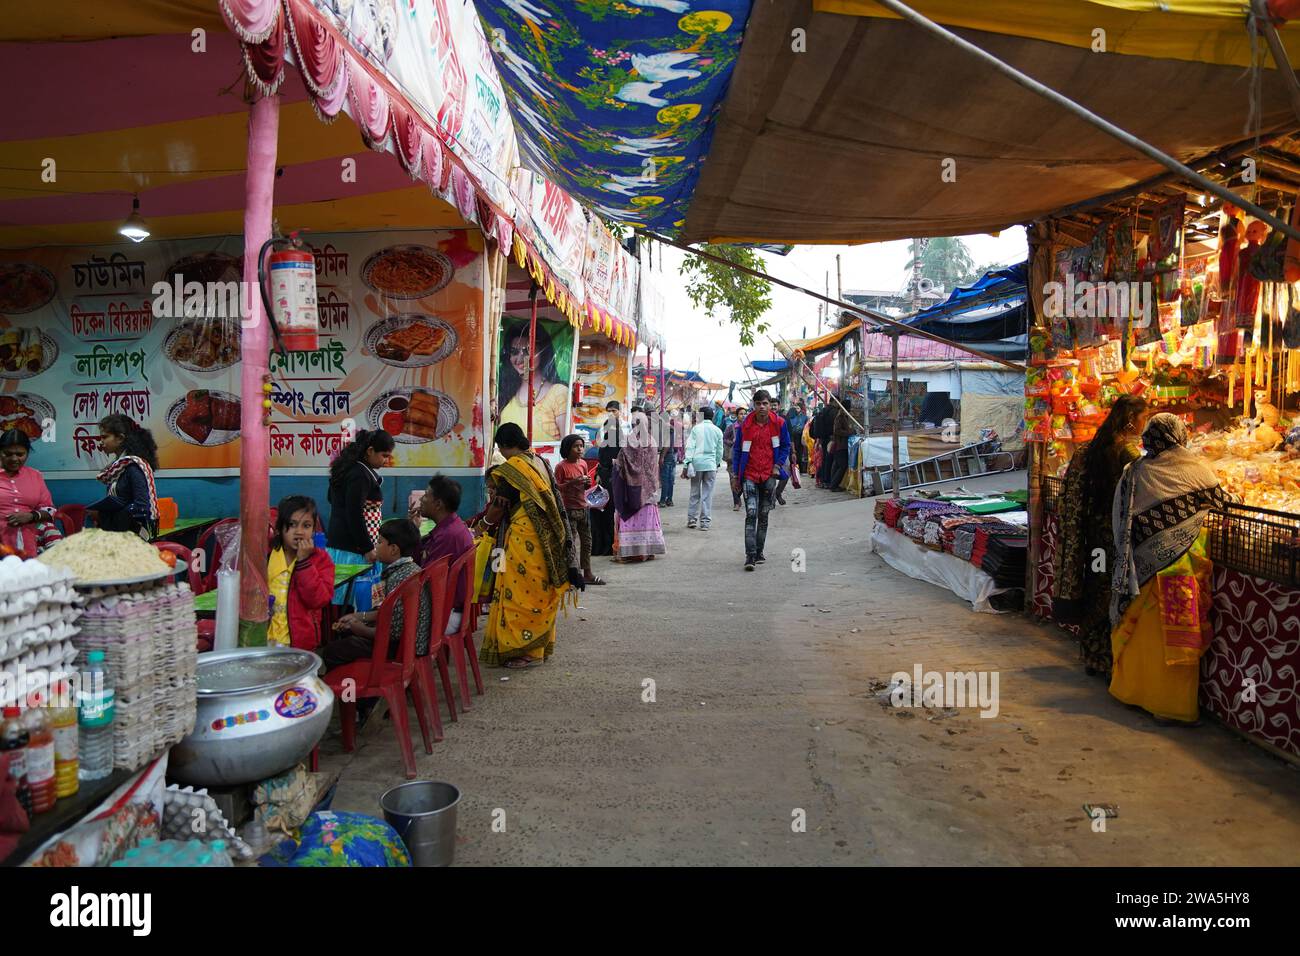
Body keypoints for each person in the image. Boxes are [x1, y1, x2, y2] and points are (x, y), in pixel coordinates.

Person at [1109, 414, 1234, 724]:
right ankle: (1170, 705)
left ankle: (1133, 692)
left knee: (1141, 631)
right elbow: (1225, 502)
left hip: (1139, 569)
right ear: (1179, 436)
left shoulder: (1135, 470)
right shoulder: (1194, 468)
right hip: (1179, 569)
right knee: (1175, 634)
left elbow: (1120, 518)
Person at [1052, 395, 1149, 676]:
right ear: (1131, 419)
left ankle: (1093, 654)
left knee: (1095, 587)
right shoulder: (1127, 454)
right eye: (1143, 417)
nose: (1144, 424)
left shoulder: (1090, 449)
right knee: (1114, 594)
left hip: (1094, 539)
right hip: (1116, 540)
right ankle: (1111, 660)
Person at [478, 423, 582, 669]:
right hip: (545, 540)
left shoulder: (512, 468)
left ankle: (526, 651)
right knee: (539, 591)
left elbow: (499, 506)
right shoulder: (539, 461)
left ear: (504, 445)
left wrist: (481, 525)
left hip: (523, 541)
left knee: (519, 597)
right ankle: (536, 649)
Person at [327, 519, 428, 669]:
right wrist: (357, 616)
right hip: (407, 642)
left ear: (393, 549)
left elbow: (391, 634)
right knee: (347, 634)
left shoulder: (399, 580)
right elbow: (388, 612)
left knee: (332, 651)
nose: (376, 546)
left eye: (379, 542)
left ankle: (363, 689)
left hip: (400, 648)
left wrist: (361, 629)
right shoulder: (409, 569)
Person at [731, 390, 791, 571]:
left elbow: (786, 445)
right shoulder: (745, 425)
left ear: (769, 404)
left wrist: (778, 465)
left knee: (763, 515)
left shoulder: (779, 424)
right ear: (754, 405)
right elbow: (736, 450)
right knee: (751, 513)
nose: (762, 407)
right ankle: (750, 555)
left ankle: (759, 552)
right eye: (758, 404)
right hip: (749, 474)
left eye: (765, 403)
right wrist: (735, 475)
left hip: (769, 475)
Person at [266, 496, 335, 651]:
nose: (299, 532)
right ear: (279, 528)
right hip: (266, 641)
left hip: (300, 644)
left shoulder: (320, 560)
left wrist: (303, 562)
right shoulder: (268, 556)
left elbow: (318, 600)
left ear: (313, 529)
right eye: (292, 525)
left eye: (306, 525)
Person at [416, 474, 478, 634]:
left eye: (426, 495)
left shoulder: (447, 536)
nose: (421, 499)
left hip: (446, 615)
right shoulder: (453, 526)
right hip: (451, 609)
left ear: (438, 504)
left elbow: (424, 579)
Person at [327, 429, 395, 561]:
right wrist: (367, 548)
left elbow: (331, 499)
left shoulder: (347, 469)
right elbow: (354, 513)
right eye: (384, 456)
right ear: (370, 451)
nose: (386, 461)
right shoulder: (360, 475)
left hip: (340, 545)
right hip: (353, 550)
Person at [497, 320, 569, 444]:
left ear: (543, 353)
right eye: (514, 352)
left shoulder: (558, 393)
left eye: (528, 351)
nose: (520, 359)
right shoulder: (504, 393)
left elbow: (567, 446)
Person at [89, 413, 159, 539]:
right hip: (117, 533)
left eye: (105, 437)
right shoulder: (118, 467)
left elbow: (142, 507)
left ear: (120, 438)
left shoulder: (133, 467)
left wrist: (104, 513)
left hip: (132, 537)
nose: (101, 442)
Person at [612, 411, 667, 561]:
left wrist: (615, 464)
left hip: (632, 490)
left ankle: (634, 552)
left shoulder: (630, 442)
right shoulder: (651, 441)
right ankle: (648, 551)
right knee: (647, 520)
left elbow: (623, 463)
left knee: (632, 521)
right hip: (649, 490)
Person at [0, 430, 60, 558]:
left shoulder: (35, 476)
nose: (14, 458)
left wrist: (31, 516)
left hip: (28, 547)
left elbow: (50, 510)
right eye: (8, 454)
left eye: (20, 454)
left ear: (27, 453)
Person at [556, 434, 605, 585]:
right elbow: (556, 488)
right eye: (576, 446)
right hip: (569, 510)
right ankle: (573, 574)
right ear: (567, 449)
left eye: (581, 446)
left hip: (583, 508)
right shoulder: (561, 467)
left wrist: (586, 483)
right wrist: (572, 483)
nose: (580, 449)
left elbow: (585, 487)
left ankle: (588, 573)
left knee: (587, 542)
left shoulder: (583, 464)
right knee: (570, 544)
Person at [683, 404, 724, 530]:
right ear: (712, 417)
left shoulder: (696, 429)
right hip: (711, 465)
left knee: (695, 492)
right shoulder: (717, 430)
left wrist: (687, 463)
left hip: (697, 464)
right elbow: (719, 451)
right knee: (707, 494)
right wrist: (716, 463)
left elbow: (690, 447)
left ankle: (692, 520)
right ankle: (705, 522)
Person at [590, 401, 622, 557]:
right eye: (608, 411)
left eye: (614, 411)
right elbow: (602, 459)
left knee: (607, 513)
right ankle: (603, 546)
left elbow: (614, 461)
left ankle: (607, 546)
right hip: (603, 478)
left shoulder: (619, 437)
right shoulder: (608, 435)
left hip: (611, 479)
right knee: (601, 512)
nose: (611, 413)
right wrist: (597, 472)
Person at [828, 396, 856, 492]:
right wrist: (850, 432)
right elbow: (837, 430)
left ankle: (833, 484)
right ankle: (834, 485)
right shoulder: (840, 417)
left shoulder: (844, 416)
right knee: (842, 465)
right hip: (840, 444)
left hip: (841, 444)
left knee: (837, 465)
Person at [658, 409, 685, 507]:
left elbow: (667, 444)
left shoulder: (666, 427)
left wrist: (661, 457)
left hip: (668, 454)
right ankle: (669, 499)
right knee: (670, 478)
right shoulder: (673, 427)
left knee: (665, 478)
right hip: (674, 454)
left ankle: (663, 500)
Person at [723, 406, 745, 511]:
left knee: (744, 479)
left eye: (745, 414)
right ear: (736, 416)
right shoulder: (731, 427)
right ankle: (736, 502)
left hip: (745, 458)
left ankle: (739, 496)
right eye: (741, 414)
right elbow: (725, 438)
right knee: (733, 479)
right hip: (733, 458)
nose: (743, 416)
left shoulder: (748, 427)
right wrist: (733, 442)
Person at [785, 401, 809, 475]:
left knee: (800, 452)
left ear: (801, 409)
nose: (796, 409)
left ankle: (800, 470)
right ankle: (792, 469)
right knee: (792, 452)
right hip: (792, 436)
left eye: (798, 408)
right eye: (795, 408)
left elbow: (806, 428)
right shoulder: (791, 416)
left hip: (801, 436)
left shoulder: (805, 417)